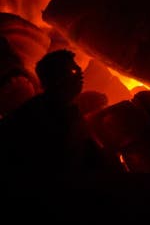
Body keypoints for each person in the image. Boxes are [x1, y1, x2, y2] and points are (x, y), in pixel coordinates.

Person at [0, 49, 107, 177]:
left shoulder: (66, 110)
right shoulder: (42, 117)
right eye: (73, 71)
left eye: (78, 69)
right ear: (57, 79)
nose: (80, 74)